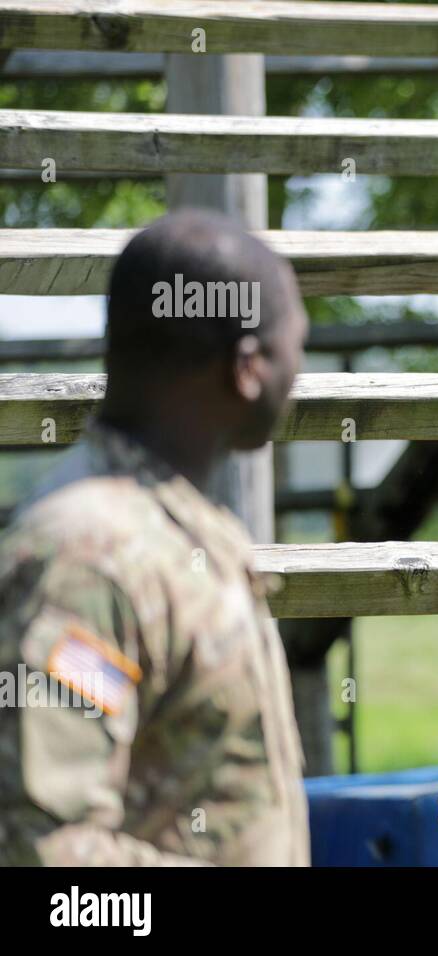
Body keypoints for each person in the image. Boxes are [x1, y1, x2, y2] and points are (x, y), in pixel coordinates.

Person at [0, 209, 311, 865]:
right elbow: (44, 855)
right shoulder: (87, 560)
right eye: (296, 349)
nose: (298, 373)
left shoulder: (184, 529)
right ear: (248, 367)